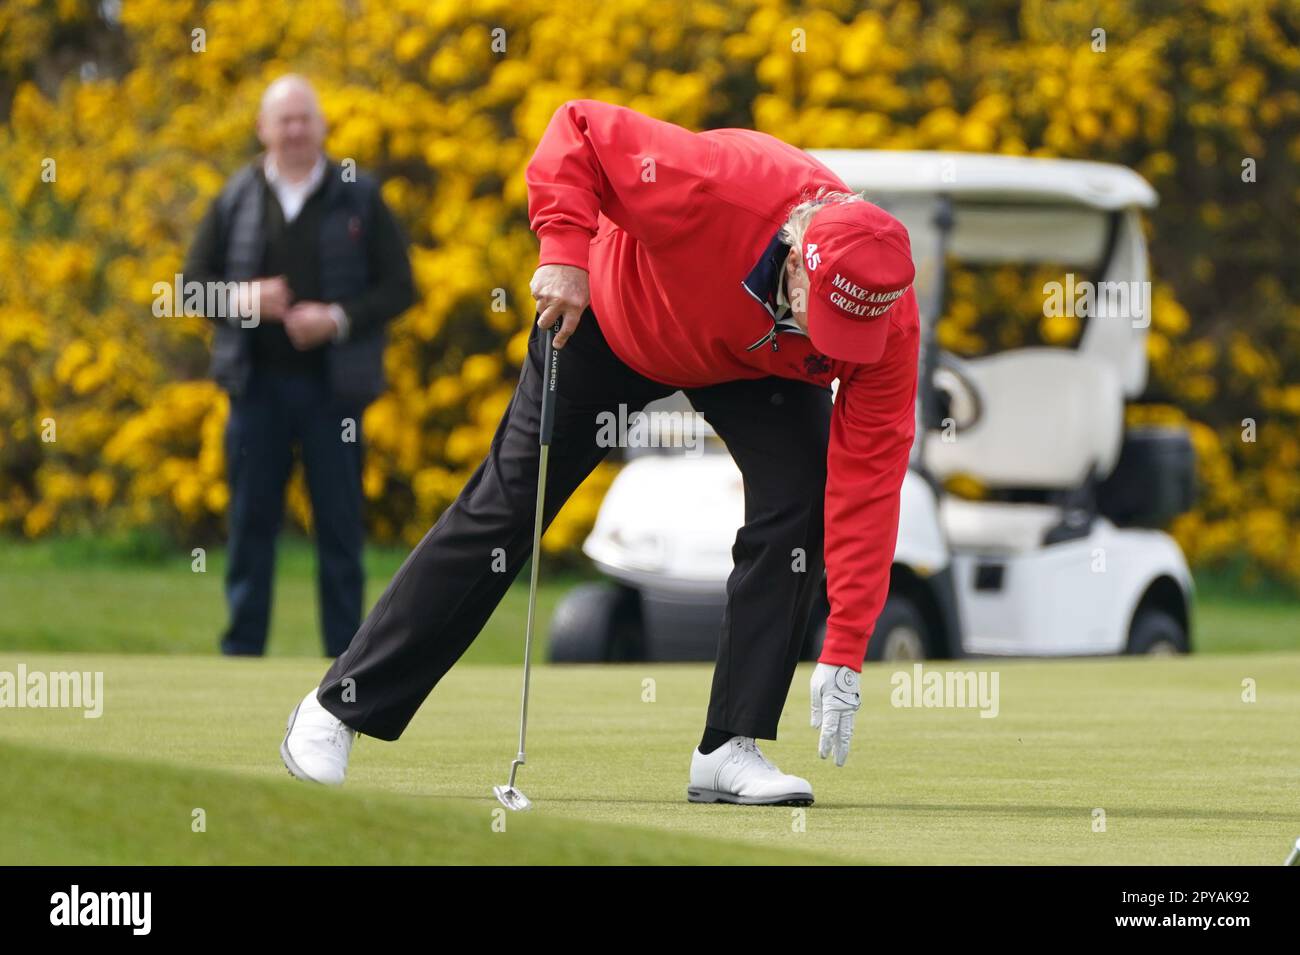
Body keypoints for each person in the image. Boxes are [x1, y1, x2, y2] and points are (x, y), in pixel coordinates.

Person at [281, 100, 919, 806]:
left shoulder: (883, 319)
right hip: (609, 321)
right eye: (824, 319)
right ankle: (337, 707)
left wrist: (846, 644)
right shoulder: (716, 184)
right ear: (799, 261)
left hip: (751, 364)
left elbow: (868, 480)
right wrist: (562, 253)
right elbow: (576, 130)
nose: (833, 347)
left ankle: (728, 747)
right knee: (506, 509)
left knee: (800, 502)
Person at [184, 75, 415, 657]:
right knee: (248, 528)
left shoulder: (358, 194)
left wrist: (335, 318)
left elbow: (400, 288)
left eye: (303, 118)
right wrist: (243, 300)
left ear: (321, 126)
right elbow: (188, 292)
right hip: (254, 391)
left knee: (340, 531)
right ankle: (241, 653)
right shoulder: (235, 196)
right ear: (263, 128)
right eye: (282, 120)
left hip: (334, 395)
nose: (293, 130)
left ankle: (346, 666)